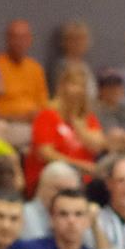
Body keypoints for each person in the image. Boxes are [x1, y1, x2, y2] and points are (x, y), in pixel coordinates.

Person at [30, 64, 106, 194]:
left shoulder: (88, 118)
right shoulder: (47, 115)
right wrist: (79, 165)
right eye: (74, 84)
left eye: (82, 86)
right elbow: (46, 153)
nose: (78, 90)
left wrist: (80, 129)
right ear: (62, 86)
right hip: (55, 177)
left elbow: (98, 146)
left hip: (86, 179)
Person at [0, 18, 48, 143]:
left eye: (23, 37)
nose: (19, 42)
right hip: (8, 124)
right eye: (15, 37)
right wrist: (18, 118)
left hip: (35, 123)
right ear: (7, 40)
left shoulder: (36, 68)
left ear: (30, 40)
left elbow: (43, 104)